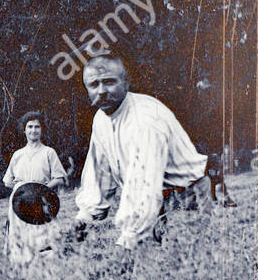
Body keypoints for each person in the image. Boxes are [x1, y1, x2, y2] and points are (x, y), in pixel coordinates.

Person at [73, 51, 210, 249]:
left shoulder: (145, 119)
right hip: (157, 199)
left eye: (109, 82)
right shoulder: (101, 118)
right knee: (149, 265)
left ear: (126, 82)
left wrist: (127, 240)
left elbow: (144, 183)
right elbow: (100, 171)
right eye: (94, 84)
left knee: (182, 265)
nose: (101, 91)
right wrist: (85, 216)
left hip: (186, 198)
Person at [2, 110, 67, 261]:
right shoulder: (18, 155)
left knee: (42, 236)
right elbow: (7, 181)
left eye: (37, 127)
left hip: (42, 199)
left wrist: (40, 191)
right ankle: (20, 262)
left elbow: (59, 178)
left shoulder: (48, 153)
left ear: (42, 130)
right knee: (19, 236)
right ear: (24, 129)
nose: (33, 130)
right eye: (30, 127)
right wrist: (22, 191)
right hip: (20, 202)